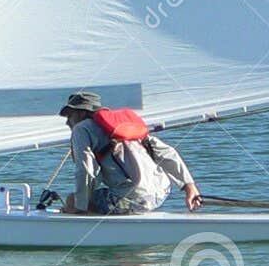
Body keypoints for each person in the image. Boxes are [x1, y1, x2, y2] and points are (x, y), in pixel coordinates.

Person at [56, 91, 202, 215]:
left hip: (134, 199)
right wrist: (189, 186)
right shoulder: (121, 125)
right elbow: (168, 153)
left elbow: (86, 170)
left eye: (70, 115)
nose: (67, 122)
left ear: (82, 112)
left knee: (72, 200)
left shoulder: (81, 129)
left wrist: (80, 208)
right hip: (160, 193)